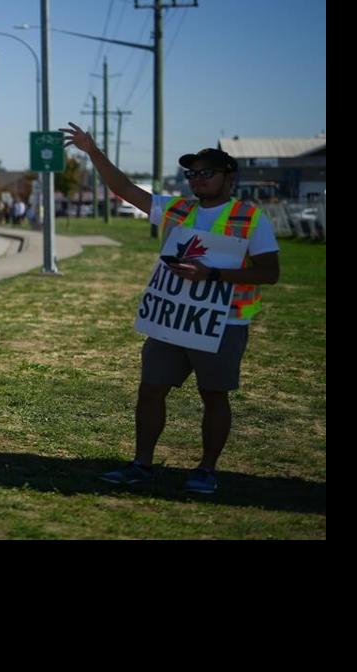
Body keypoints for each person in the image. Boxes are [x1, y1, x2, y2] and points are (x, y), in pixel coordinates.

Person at [61, 123, 281, 494]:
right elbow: (124, 189)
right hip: (172, 320)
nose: (197, 179)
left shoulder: (250, 218)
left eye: (206, 173)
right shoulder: (177, 209)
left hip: (222, 323)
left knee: (214, 395)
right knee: (150, 389)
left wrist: (212, 274)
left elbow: (269, 273)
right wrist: (92, 151)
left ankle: (206, 470)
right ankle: (141, 464)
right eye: (192, 174)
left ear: (229, 177)